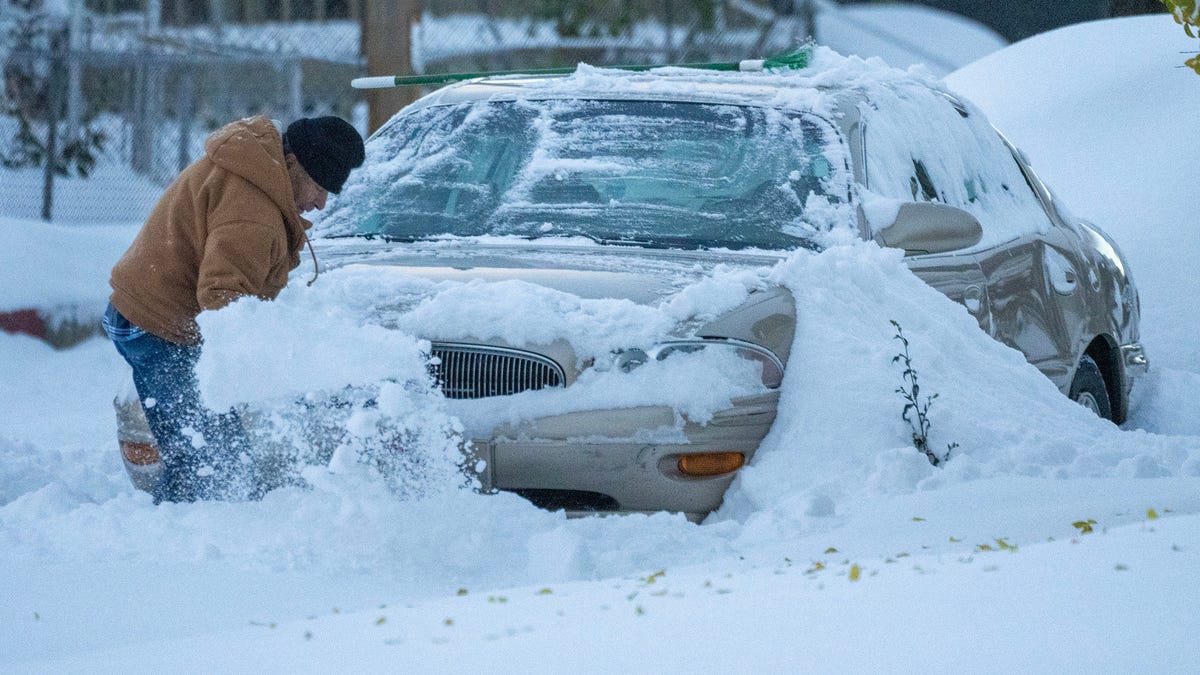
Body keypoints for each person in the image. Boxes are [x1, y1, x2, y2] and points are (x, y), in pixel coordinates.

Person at [103, 115, 365, 503]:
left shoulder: (257, 172)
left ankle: (210, 516)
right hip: (155, 323)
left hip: (158, 312)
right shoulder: (254, 211)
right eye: (319, 186)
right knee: (207, 459)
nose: (322, 203)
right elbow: (223, 296)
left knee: (216, 445)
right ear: (292, 164)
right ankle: (188, 535)